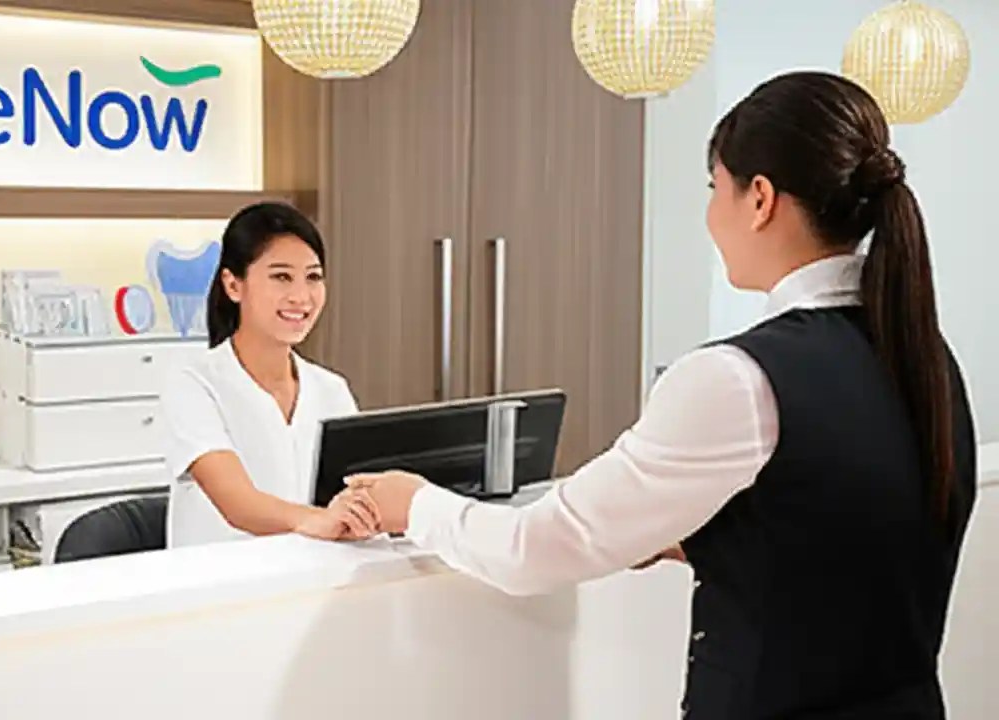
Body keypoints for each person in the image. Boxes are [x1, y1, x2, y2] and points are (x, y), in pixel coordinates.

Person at [350, 71, 977, 719]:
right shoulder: (925, 358)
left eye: (715, 189)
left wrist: (415, 503)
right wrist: (703, 540)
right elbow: (848, 531)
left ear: (759, 198)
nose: (710, 215)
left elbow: (533, 551)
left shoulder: (738, 378)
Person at [161, 202, 379, 548]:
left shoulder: (331, 389)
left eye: (313, 277)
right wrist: (319, 519)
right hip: (220, 591)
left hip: (314, 581)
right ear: (233, 286)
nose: (301, 297)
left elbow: (358, 494)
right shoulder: (194, 383)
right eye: (281, 277)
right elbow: (238, 504)